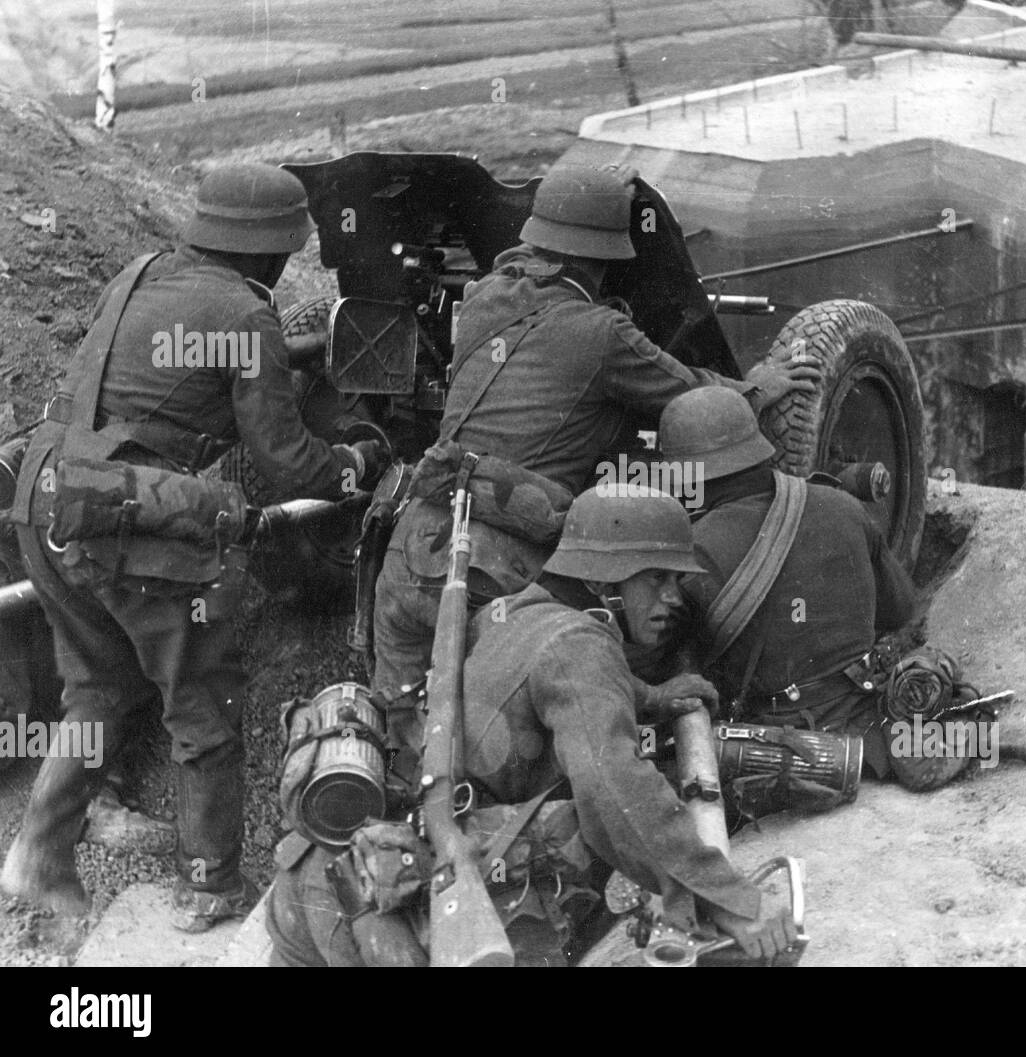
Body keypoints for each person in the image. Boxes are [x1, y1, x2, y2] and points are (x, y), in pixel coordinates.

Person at [0, 163, 388, 931]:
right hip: (128, 523)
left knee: (98, 689)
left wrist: (281, 353)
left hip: (44, 501)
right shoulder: (247, 316)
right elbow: (283, 460)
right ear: (268, 252)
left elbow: (157, 379)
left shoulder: (140, 274)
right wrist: (355, 464)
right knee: (204, 703)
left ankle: (39, 855)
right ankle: (211, 884)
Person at [267, 487, 796, 966]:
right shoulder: (580, 647)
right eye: (655, 577)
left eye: (676, 581)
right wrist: (731, 900)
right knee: (578, 837)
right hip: (393, 921)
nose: (674, 597)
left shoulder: (516, 611)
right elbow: (614, 791)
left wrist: (649, 697)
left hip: (321, 884)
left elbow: (541, 678)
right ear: (601, 581)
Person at [371, 163, 818, 697]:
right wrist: (758, 386)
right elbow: (692, 394)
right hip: (496, 570)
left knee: (402, 735)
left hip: (409, 547)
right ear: (608, 259)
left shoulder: (485, 297)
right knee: (546, 711)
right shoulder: (602, 333)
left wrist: (589, 198)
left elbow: (517, 266)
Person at [659, 386, 988, 793]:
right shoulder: (845, 506)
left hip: (782, 749)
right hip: (871, 732)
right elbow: (901, 611)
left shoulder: (693, 551)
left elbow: (671, 666)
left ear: (689, 471)